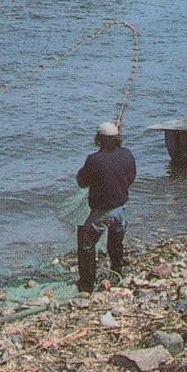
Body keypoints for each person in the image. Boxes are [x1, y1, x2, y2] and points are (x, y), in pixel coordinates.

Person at [75, 121, 136, 295]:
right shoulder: (127, 154)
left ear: (99, 139)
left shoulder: (94, 160)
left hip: (103, 212)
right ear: (117, 139)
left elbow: (82, 182)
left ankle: (86, 285)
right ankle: (117, 272)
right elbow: (131, 177)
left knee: (86, 242)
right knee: (115, 243)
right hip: (121, 211)